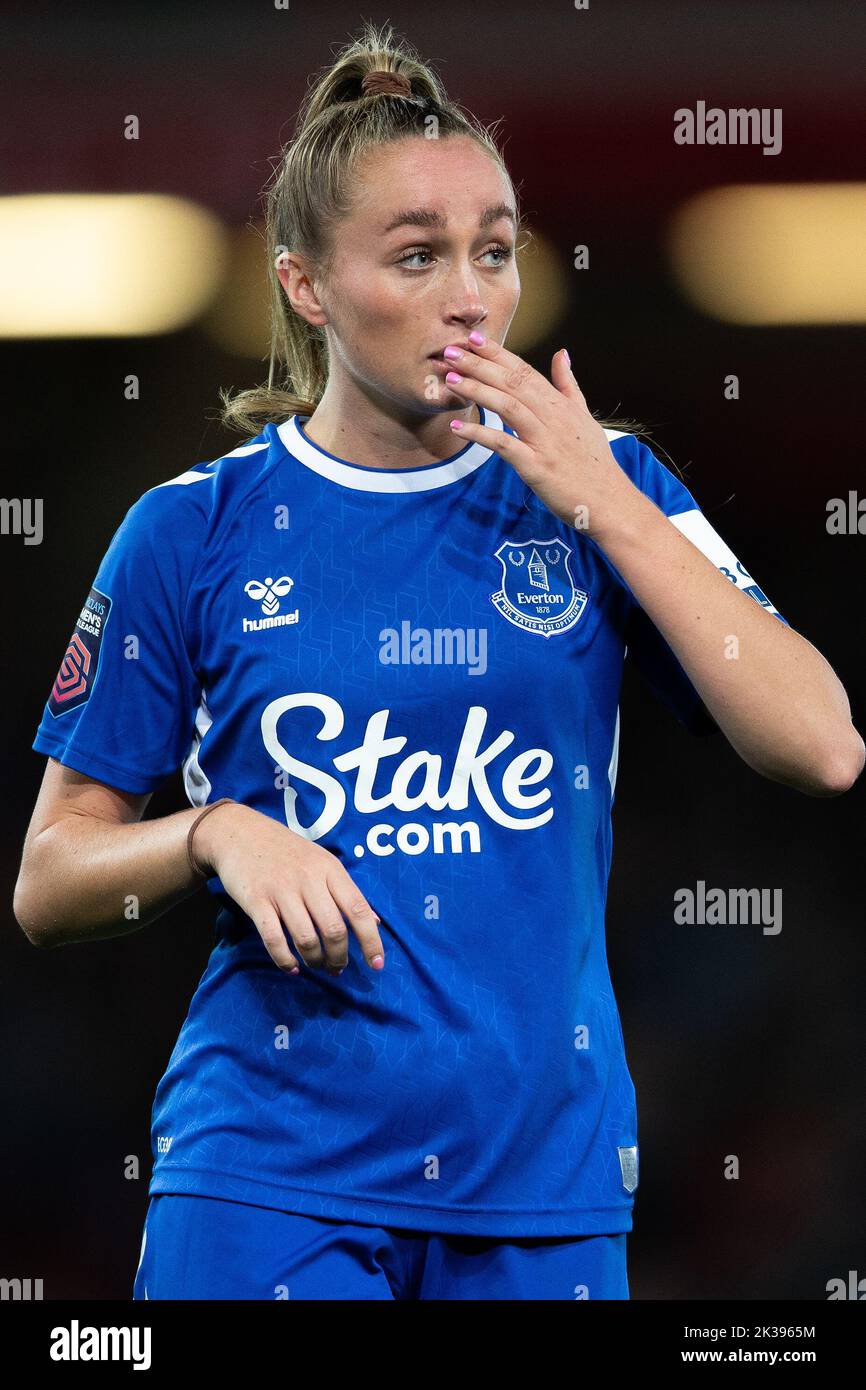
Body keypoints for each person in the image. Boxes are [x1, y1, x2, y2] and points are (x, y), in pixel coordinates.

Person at [14, 22, 863, 1302]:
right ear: (304, 285)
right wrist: (214, 834)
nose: (470, 295)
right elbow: (47, 880)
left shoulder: (606, 488)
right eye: (416, 256)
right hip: (265, 1178)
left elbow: (821, 746)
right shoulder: (189, 530)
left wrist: (604, 500)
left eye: (492, 251)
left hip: (543, 1182)